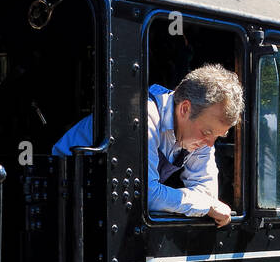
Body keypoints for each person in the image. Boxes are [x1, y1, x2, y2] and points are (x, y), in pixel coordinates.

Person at [52, 64, 242, 226]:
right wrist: (204, 205)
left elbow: (207, 193)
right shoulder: (141, 116)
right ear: (184, 109)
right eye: (207, 133)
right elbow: (146, 194)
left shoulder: (201, 135)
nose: (209, 144)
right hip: (63, 194)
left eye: (218, 136)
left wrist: (193, 202)